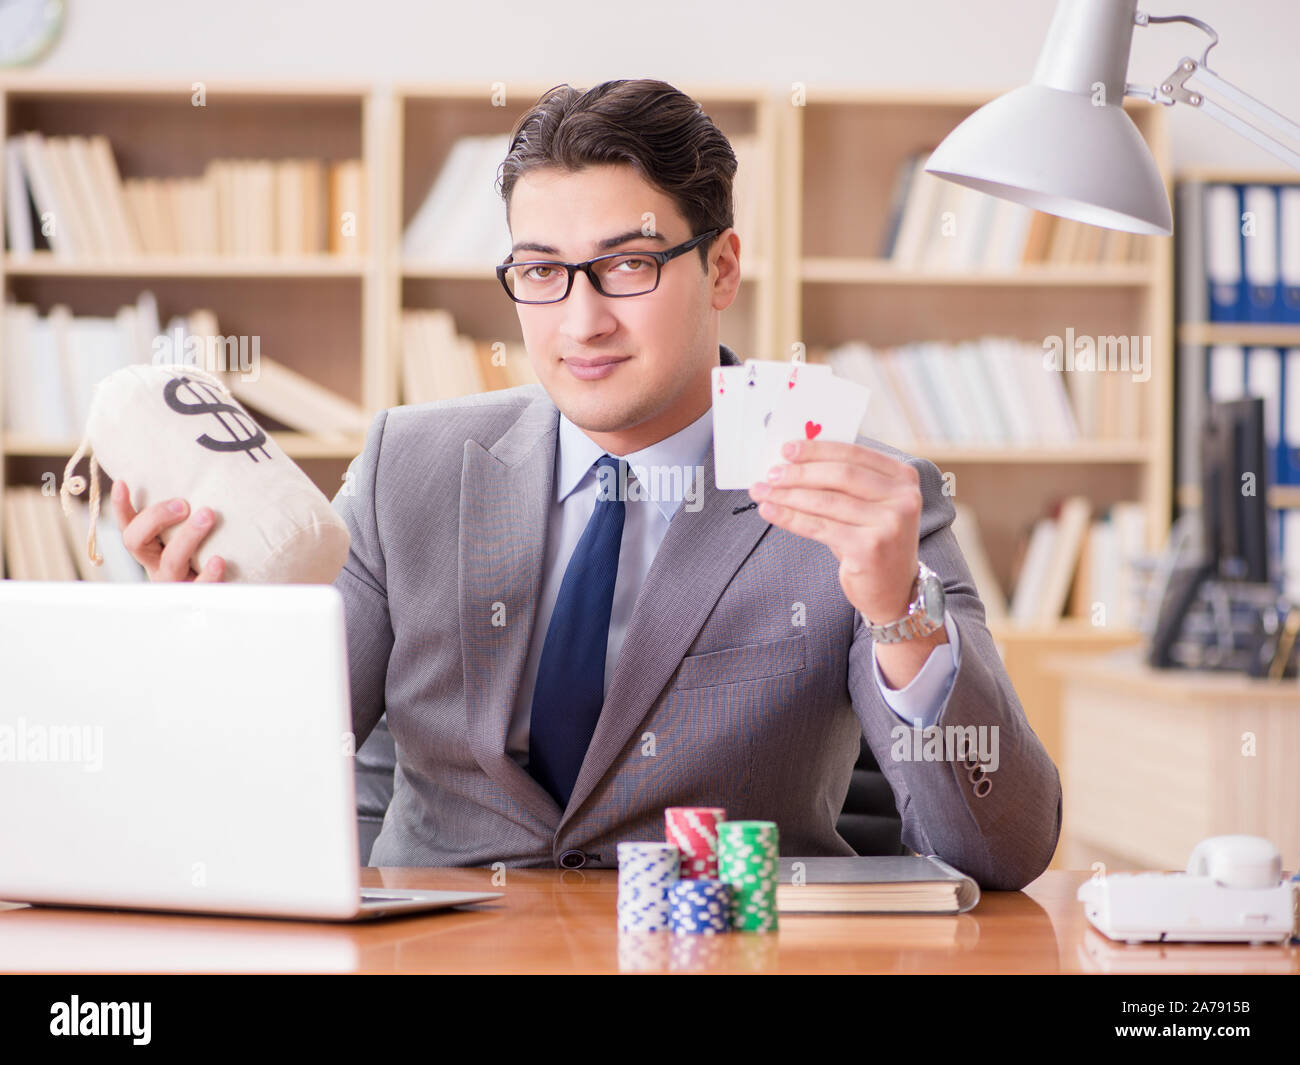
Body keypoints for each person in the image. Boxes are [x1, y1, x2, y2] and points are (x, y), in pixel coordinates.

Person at [112, 78, 1060, 890]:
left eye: (628, 264)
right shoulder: (411, 464)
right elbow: (258, 774)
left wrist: (902, 615)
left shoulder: (855, 489)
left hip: (716, 951)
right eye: (541, 272)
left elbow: (1001, 850)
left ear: (721, 268)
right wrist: (209, 635)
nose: (581, 320)